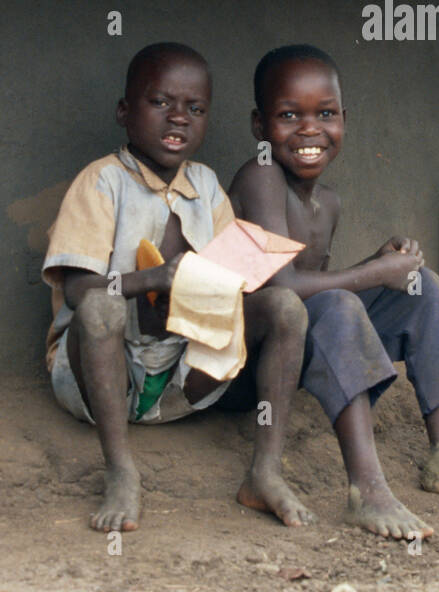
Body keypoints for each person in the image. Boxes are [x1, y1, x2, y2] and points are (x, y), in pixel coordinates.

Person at [227, 44, 439, 541]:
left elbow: (319, 295)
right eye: (289, 116)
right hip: (247, 367)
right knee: (346, 300)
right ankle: (366, 491)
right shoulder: (260, 176)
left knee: (421, 287)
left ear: (344, 119)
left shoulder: (327, 201)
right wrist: (375, 274)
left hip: (296, 346)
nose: (310, 129)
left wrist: (379, 266)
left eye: (325, 114)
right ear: (260, 127)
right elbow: (280, 288)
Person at [43, 42, 310, 534]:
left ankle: (266, 470)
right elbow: (81, 291)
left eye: (195, 108)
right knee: (102, 309)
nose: (178, 118)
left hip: (185, 378)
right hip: (104, 375)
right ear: (125, 111)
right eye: (160, 102)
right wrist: (156, 278)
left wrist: (236, 277)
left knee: (286, 308)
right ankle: (121, 470)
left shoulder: (206, 186)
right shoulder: (102, 181)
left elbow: (237, 282)